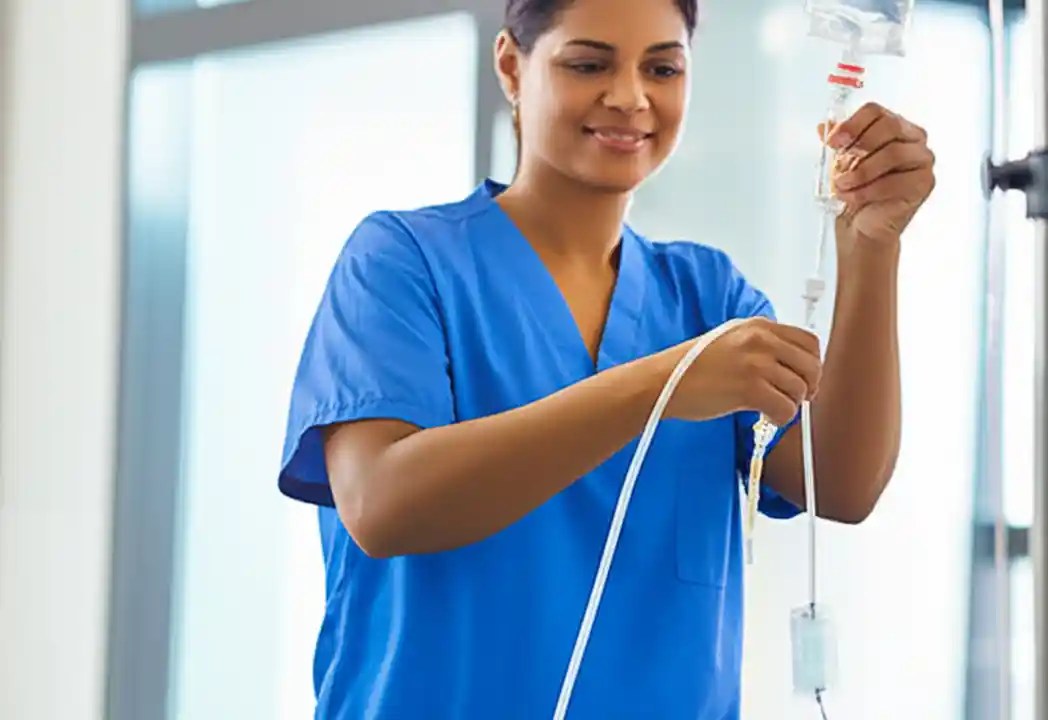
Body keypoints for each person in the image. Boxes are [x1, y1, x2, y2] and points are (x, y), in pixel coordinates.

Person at [278, 0, 936, 716]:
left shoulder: (708, 297)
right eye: (589, 64)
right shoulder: (403, 262)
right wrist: (664, 384)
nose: (630, 97)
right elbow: (381, 504)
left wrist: (870, 246)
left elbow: (839, 484)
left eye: (663, 69)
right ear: (511, 66)